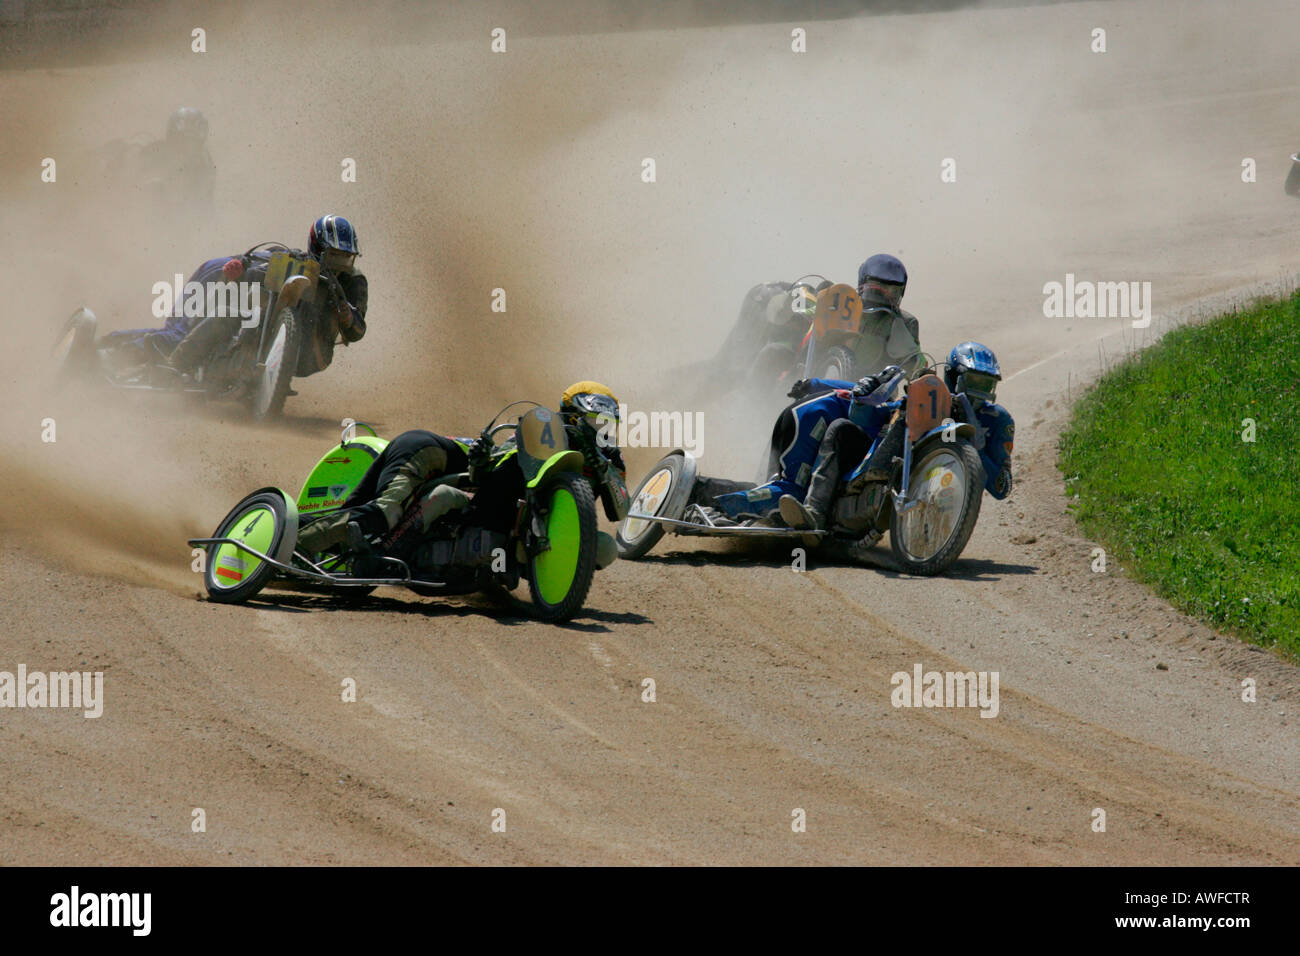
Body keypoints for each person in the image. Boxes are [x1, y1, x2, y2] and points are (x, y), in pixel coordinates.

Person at [295, 383, 629, 568]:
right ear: (570, 417)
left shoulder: (609, 461)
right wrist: (482, 459)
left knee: (603, 548)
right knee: (431, 500)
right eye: (593, 421)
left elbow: (621, 510)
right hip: (437, 465)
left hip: (521, 526)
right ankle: (298, 546)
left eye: (606, 425)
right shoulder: (539, 439)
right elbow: (487, 472)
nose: (600, 430)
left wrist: (601, 466)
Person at [778, 342, 1014, 532]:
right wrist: (860, 394)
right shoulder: (928, 398)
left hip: (947, 502)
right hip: (894, 470)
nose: (978, 392)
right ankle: (815, 510)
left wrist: (977, 450)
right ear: (953, 376)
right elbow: (873, 414)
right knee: (842, 428)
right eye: (974, 381)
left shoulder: (999, 420)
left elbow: (1002, 487)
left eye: (986, 384)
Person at [166, 214, 367, 376]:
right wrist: (240, 265)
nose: (339, 265)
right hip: (265, 328)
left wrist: (349, 319)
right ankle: (175, 367)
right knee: (225, 314)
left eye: (345, 258)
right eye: (334, 256)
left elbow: (357, 332)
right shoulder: (295, 261)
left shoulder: (354, 282)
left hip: (313, 355)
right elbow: (258, 259)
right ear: (318, 249)